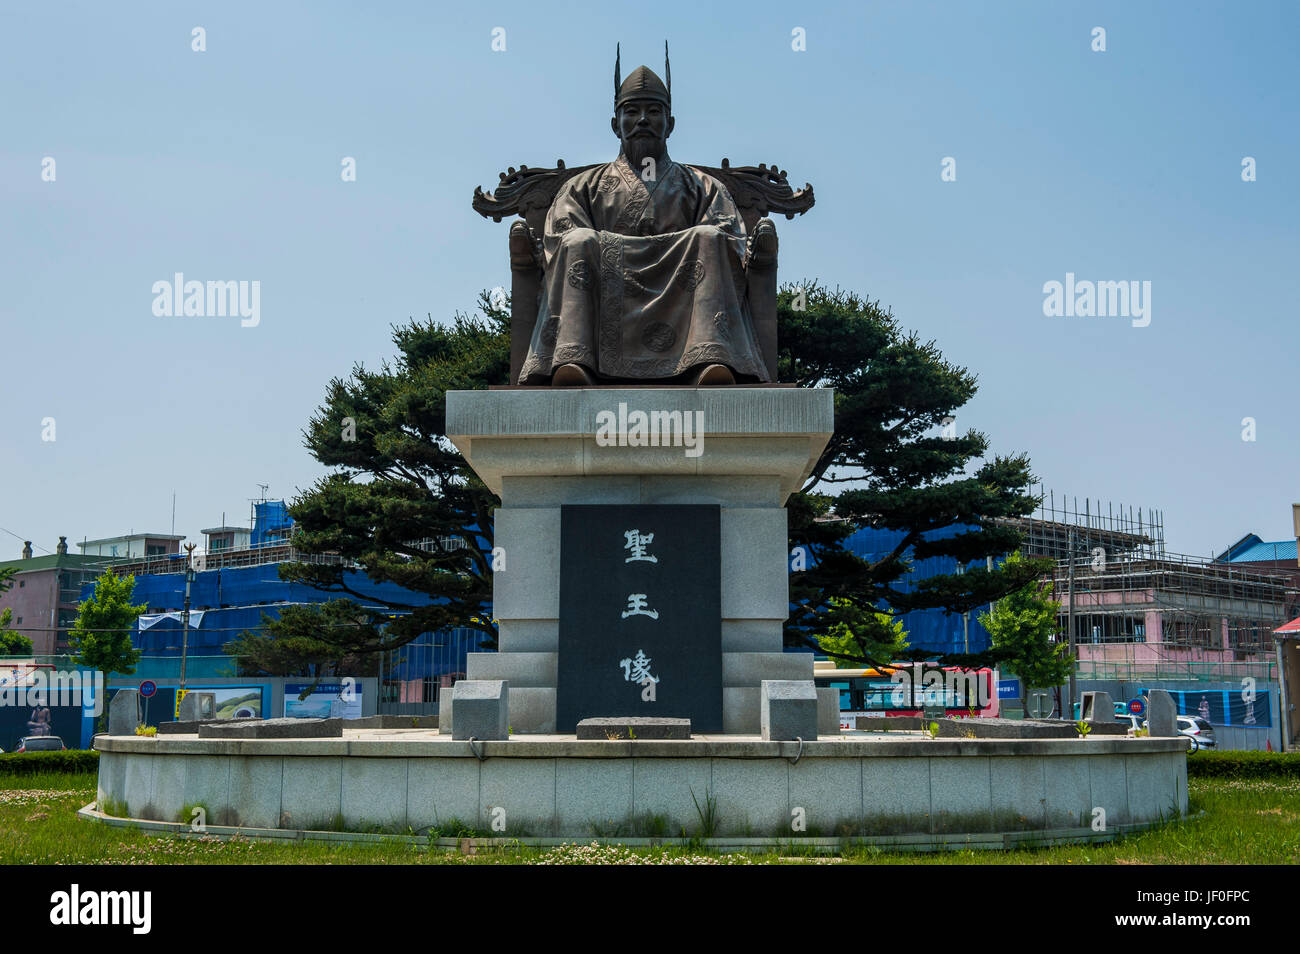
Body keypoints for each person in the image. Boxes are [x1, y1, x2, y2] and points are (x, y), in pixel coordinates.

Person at [517, 45, 772, 387]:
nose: (642, 121)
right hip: (604, 281)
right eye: (631, 112)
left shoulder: (702, 186)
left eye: (654, 112)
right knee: (578, 242)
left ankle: (709, 356)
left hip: (682, 279)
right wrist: (614, 247)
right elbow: (562, 235)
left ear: (670, 124)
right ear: (615, 124)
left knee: (709, 239)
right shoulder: (582, 187)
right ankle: (575, 358)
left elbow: (727, 234)